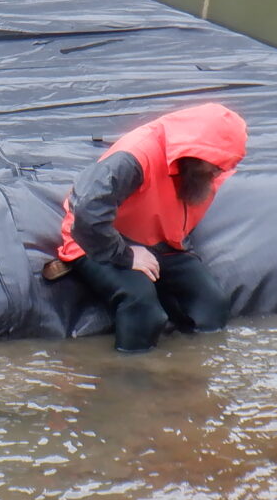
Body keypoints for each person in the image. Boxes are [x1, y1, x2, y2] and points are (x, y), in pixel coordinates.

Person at [52, 102, 248, 352]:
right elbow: (87, 212)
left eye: (223, 166)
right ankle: (130, 372)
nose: (218, 172)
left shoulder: (205, 168)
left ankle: (194, 369)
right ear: (192, 155)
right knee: (143, 311)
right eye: (215, 165)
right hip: (98, 240)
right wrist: (125, 254)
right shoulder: (136, 156)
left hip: (163, 242)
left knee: (211, 304)